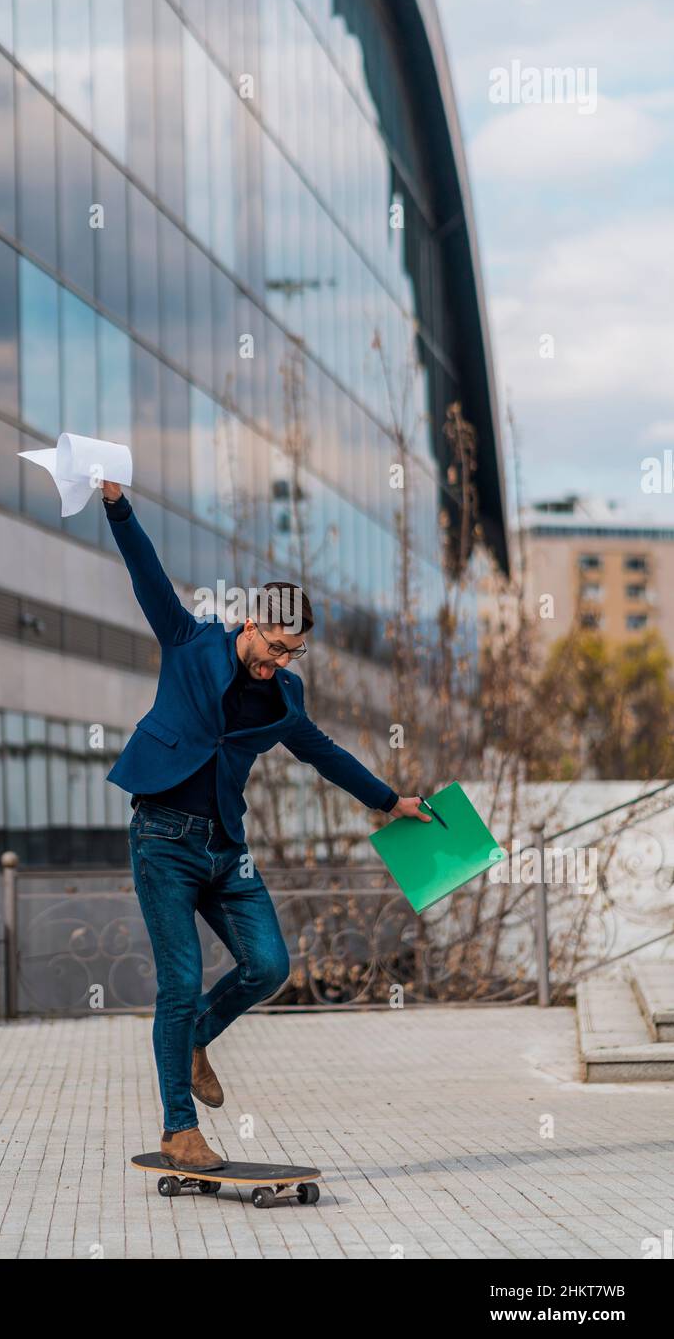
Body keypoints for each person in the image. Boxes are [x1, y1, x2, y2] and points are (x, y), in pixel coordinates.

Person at [101, 481, 430, 1171]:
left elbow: (322, 751)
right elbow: (147, 573)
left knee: (270, 965)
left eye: (292, 655)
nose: (279, 662)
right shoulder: (190, 643)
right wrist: (118, 507)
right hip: (162, 836)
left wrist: (389, 800)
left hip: (226, 845)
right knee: (180, 980)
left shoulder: (286, 696)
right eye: (275, 647)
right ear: (251, 622)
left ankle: (194, 1040)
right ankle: (178, 1130)